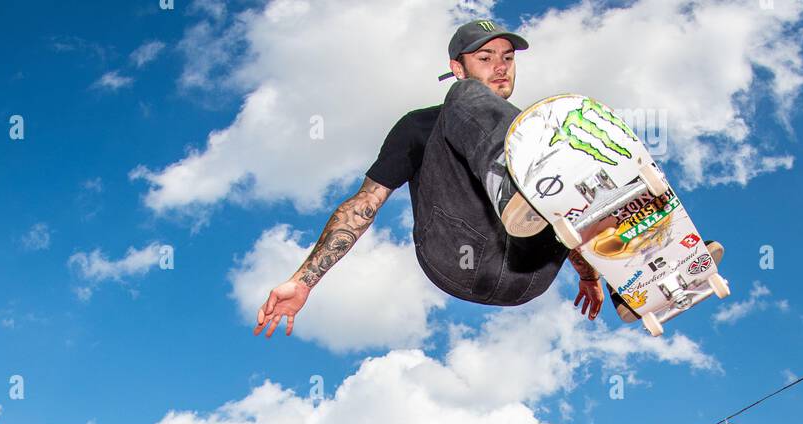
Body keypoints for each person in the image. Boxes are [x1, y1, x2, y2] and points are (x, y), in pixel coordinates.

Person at [254, 21, 602, 345]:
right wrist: (303, 280)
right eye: (485, 58)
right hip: (459, 261)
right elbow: (365, 203)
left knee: (545, 134)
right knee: (479, 107)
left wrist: (590, 274)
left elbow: (558, 209)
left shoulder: (531, 136)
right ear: (457, 68)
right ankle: (514, 181)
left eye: (508, 58)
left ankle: (640, 267)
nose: (501, 67)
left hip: (529, 274)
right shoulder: (418, 126)